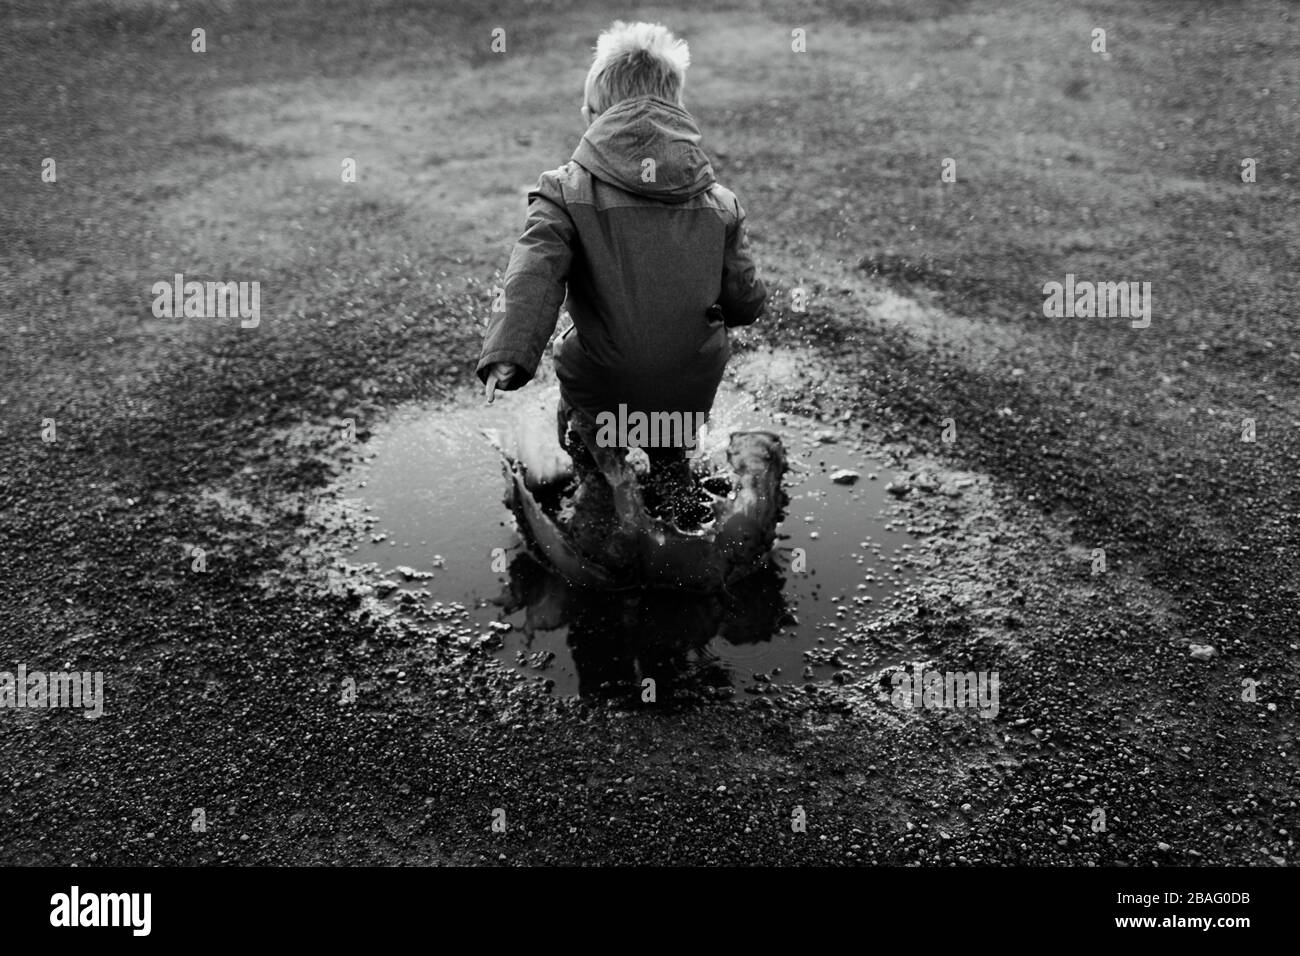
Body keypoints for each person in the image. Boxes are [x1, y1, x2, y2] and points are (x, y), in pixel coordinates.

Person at [477, 19, 767, 541]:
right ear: (679, 112)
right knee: (669, 439)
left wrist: (510, 351)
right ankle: (680, 504)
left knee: (589, 435)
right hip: (685, 385)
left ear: (595, 118)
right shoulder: (718, 202)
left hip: (603, 386)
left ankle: (599, 499)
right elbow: (744, 301)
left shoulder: (564, 192)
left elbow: (534, 273)